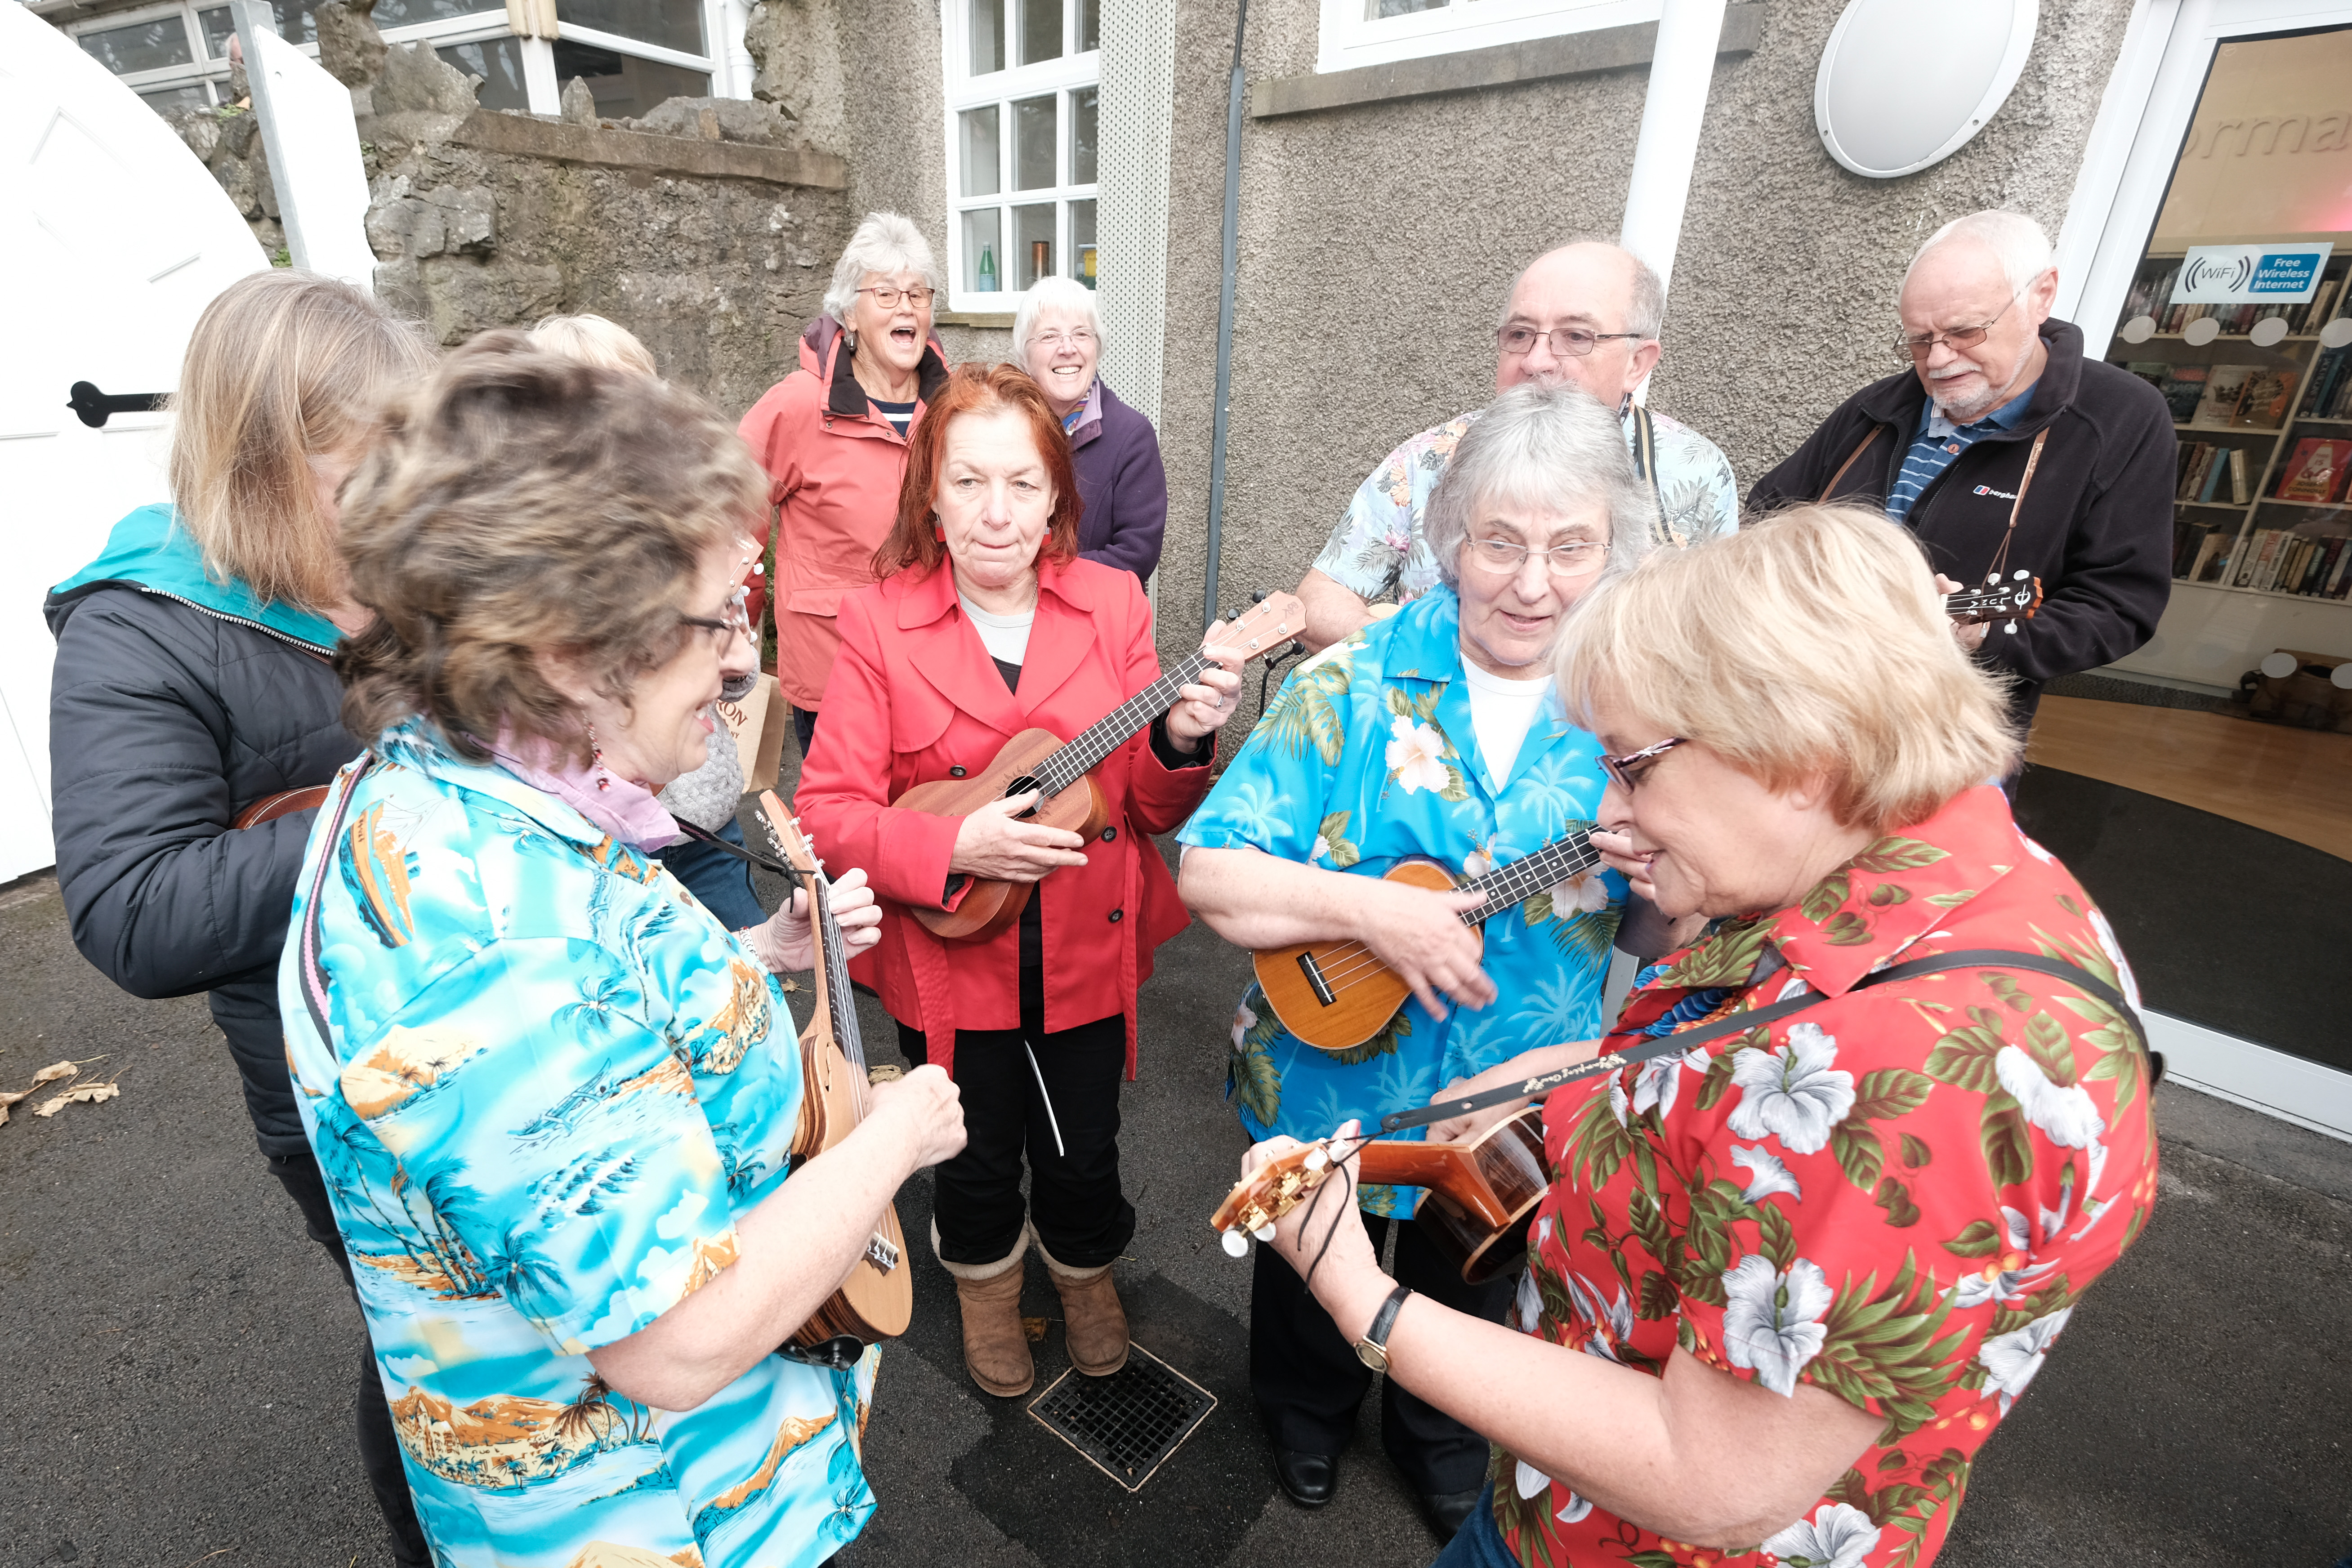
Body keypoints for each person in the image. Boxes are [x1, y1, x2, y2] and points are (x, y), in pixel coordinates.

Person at [1243, 504, 2160, 1568]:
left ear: (1804, 756)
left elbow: (1708, 1476)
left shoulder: (1904, 1072)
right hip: (1567, 1484)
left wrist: (1363, 1295)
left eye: (1632, 766)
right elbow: (1750, 1056)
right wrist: (1590, 1071)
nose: (1605, 806)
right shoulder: (1932, 874)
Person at [284, 333, 966, 1567]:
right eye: (709, 621)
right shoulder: (495, 945)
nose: (744, 660)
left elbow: (610, 1051)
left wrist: (751, 966)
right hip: (657, 1518)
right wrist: (891, 1135)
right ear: (559, 648)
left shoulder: (470, 797)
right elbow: (679, 1337)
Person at [1181, 383, 1683, 1537]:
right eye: (1500, 542)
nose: (1531, 580)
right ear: (1452, 540)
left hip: (1516, 1090)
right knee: (1312, 1274)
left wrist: (1663, 888)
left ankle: (1436, 1433)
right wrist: (1374, 913)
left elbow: (1671, 922)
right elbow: (1210, 870)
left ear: (1613, 552)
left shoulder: (1639, 712)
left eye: (1570, 547)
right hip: (1326, 1069)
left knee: (1476, 1275)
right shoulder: (1346, 683)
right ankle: (1305, 1417)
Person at [45, 270, 437, 1568]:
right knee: (425, 1339)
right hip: (337, 1082)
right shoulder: (140, 627)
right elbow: (133, 911)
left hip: (482, 1016)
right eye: (357, 473)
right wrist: (396, 805)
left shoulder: (388, 566)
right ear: (262, 460)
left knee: (538, 1314)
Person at [795, 362, 1244, 1399]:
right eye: (968, 483)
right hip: (953, 960)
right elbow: (826, 812)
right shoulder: (875, 624)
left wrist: (1181, 737)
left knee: (1084, 1148)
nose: (996, 515)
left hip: (1089, 946)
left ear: (1056, 496)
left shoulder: (1113, 602)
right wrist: (955, 851)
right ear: (931, 494)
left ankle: (1086, 1278)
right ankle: (989, 1291)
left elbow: (1147, 804)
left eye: (1023, 485)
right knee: (978, 1152)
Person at [1747, 210, 2178, 732]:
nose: (1937, 360)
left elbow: (2118, 606)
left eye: (1964, 332)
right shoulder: (1877, 406)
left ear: (2041, 296)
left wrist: (1984, 636)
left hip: (1945, 737)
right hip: (1795, 707)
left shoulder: (2119, 418)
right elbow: (1768, 511)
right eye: (1918, 339)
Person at [1295, 237, 1739, 651]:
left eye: (1576, 337)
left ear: (1637, 363)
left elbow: (1713, 641)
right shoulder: (1427, 458)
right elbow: (1318, 600)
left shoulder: (1695, 470)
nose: (1535, 360)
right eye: (1520, 334)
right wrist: (1428, 656)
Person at [528, 312, 766, 930]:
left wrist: (718, 634)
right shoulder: (531, 577)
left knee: (741, 981)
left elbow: (741, 669)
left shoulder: (696, 528)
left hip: (701, 826)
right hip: (594, 840)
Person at [739, 211, 951, 756]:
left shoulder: (954, 407)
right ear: (849, 315)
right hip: (833, 669)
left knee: (923, 821)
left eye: (918, 293)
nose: (906, 306)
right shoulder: (797, 405)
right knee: (839, 832)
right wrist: (739, 621)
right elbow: (730, 513)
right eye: (885, 293)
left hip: (935, 665)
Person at [1014, 274, 1166, 582]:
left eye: (1081, 334)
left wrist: (1034, 576)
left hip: (1094, 621)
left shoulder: (1132, 436)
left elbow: (1135, 555)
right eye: (1049, 336)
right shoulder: (1004, 430)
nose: (1067, 348)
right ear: (1025, 357)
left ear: (1097, 348)